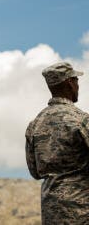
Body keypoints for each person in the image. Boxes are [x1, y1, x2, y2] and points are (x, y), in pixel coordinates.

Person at [25, 61, 89, 224]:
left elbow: (35, 171)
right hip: (82, 211)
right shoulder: (81, 120)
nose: (78, 85)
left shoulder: (35, 124)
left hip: (51, 212)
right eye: (76, 80)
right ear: (69, 82)